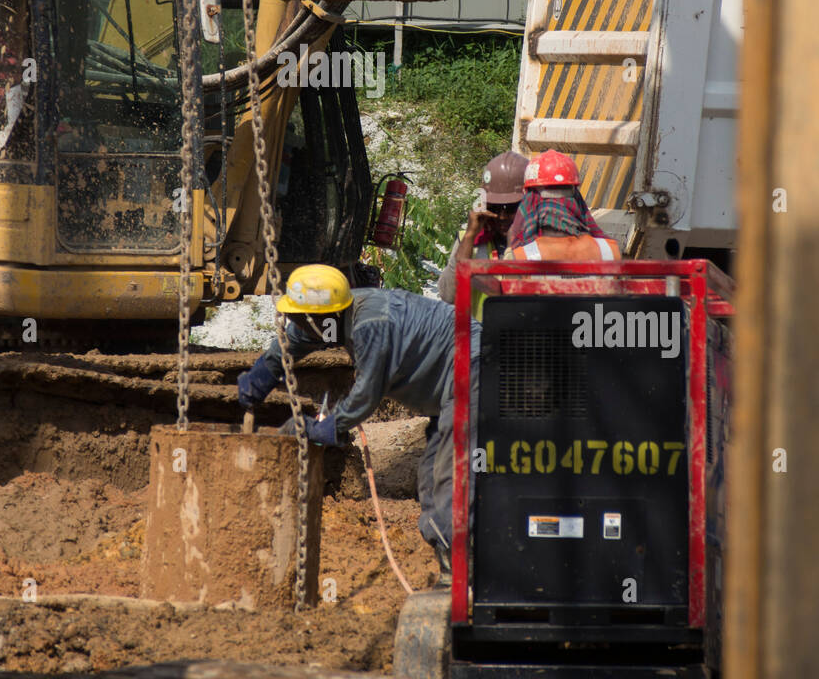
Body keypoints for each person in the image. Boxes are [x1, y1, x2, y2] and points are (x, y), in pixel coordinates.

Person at [237, 264, 480, 586]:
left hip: (476, 371)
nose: (293, 324)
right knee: (431, 478)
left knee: (451, 475)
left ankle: (464, 575)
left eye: (298, 318)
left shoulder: (371, 324)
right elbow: (292, 342)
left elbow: (366, 394)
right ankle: (456, 570)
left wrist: (325, 427)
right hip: (453, 387)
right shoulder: (330, 318)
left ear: (322, 317)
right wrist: (263, 374)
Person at [437, 150, 528, 316]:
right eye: (494, 208)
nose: (501, 216)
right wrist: (470, 237)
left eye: (510, 209)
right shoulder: (469, 239)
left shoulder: (536, 241)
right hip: (478, 337)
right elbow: (448, 295)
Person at [501, 148, 621, 264]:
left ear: (529, 201)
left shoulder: (521, 256)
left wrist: (509, 250)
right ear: (577, 200)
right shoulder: (610, 251)